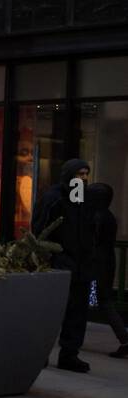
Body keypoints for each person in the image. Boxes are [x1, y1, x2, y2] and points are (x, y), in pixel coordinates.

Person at [33, 158, 95, 372]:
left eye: (86, 174)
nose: (84, 179)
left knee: (77, 313)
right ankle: (40, 353)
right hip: (60, 261)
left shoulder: (85, 200)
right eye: (80, 174)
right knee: (52, 311)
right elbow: (40, 228)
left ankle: (70, 354)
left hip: (81, 265)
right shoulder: (54, 198)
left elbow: (89, 231)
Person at [88, 183, 128, 359]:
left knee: (101, 301)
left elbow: (93, 241)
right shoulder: (108, 216)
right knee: (102, 301)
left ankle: (125, 339)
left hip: (96, 264)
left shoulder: (97, 216)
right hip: (106, 262)